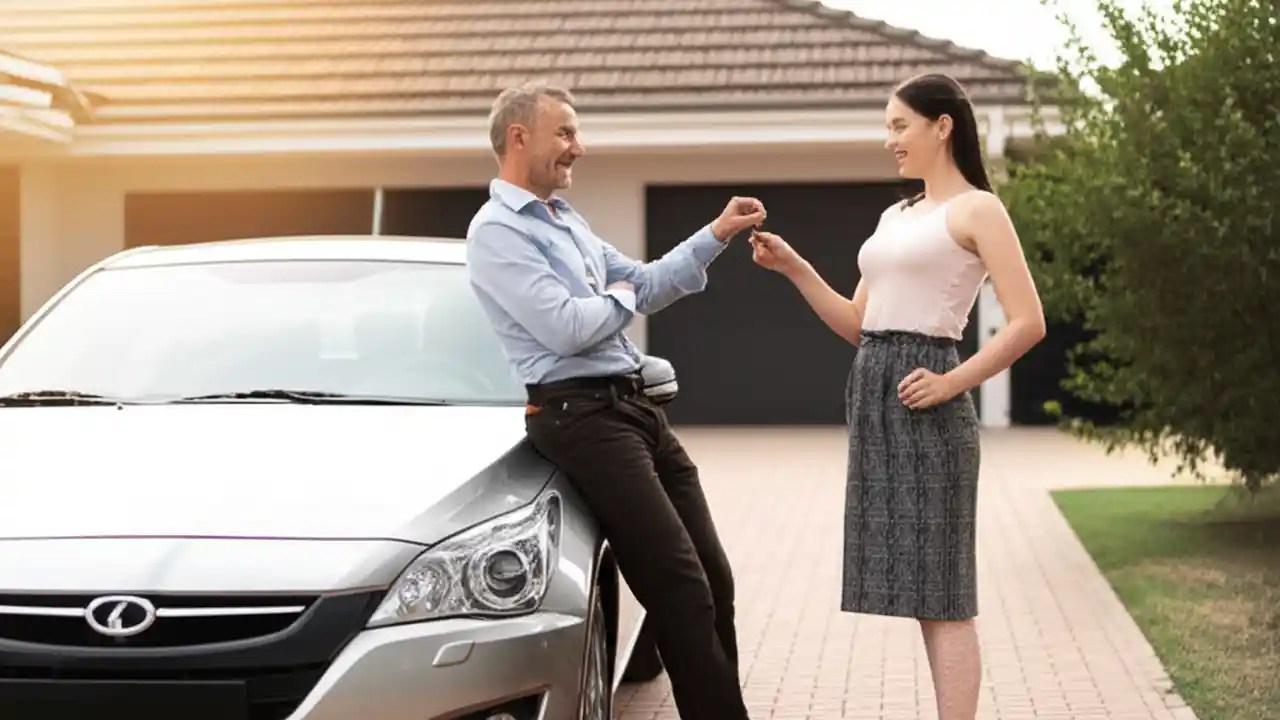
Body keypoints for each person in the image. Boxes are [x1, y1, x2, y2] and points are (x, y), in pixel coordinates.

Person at [749, 72, 1046, 719]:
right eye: (887, 127)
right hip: (877, 397)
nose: (890, 140)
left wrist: (951, 382)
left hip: (929, 399)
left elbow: (1029, 321)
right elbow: (860, 324)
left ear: (942, 127)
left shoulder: (977, 210)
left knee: (943, 594)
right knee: (917, 592)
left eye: (899, 125)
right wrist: (795, 267)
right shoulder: (895, 215)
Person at [465, 81, 763, 720]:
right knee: (679, 589)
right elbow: (567, 328)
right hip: (581, 418)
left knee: (714, 581)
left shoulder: (566, 222)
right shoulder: (495, 233)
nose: (579, 146)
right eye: (565, 133)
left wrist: (715, 233)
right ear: (520, 138)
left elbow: (648, 279)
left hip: (635, 408)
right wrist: (625, 296)